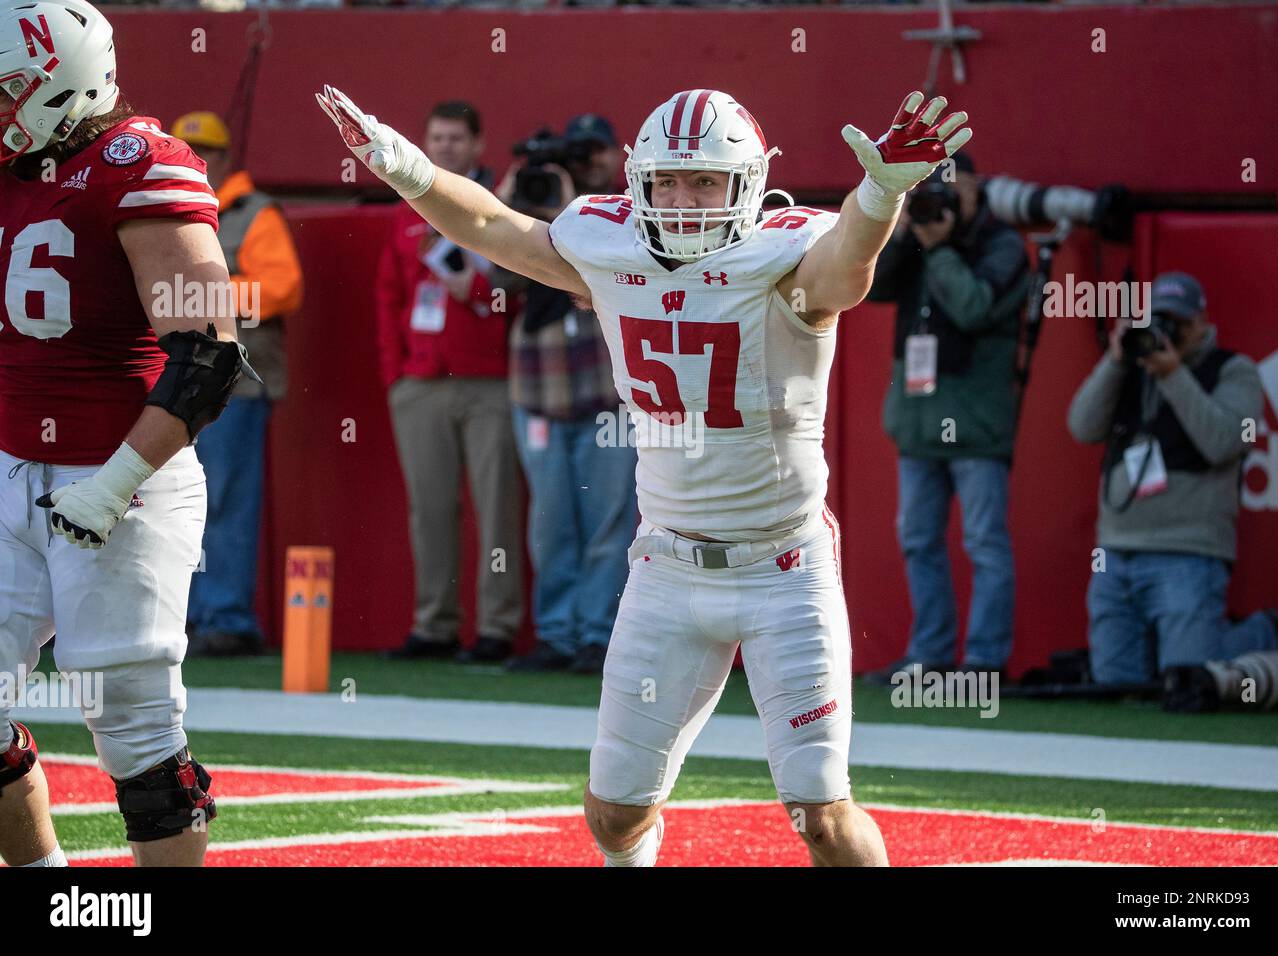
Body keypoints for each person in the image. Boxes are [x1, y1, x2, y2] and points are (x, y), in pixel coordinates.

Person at [318, 83, 971, 866]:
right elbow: (495, 226)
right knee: (614, 816)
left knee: (822, 816)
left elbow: (845, 272)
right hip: (665, 566)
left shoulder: (782, 256)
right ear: (638, 182)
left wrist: (876, 196)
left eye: (704, 181)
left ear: (749, 187)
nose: (683, 199)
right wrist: (403, 165)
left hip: (784, 569)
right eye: (666, 179)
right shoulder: (608, 244)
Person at [0, 0, 249, 866]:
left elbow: (208, 355)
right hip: (8, 468)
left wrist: (109, 486)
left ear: (60, 84)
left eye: (5, 93)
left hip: (124, 479)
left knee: (135, 731)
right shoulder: (15, 164)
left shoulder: (136, 162)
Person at [1067, 271, 1278, 685]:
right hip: (1115, 549)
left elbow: (1224, 441)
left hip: (1187, 550)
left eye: (1179, 323)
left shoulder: (1234, 370)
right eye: (1158, 320)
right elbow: (1081, 426)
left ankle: (1262, 634)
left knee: (1187, 678)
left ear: (1202, 321)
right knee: (1115, 683)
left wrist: (1172, 374)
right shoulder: (1130, 365)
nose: (1168, 332)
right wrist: (1115, 359)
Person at [860, 154, 1030, 684]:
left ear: (977, 188)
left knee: (983, 542)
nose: (942, 199)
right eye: (929, 189)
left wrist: (940, 250)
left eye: (952, 188)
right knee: (918, 540)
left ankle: (983, 663)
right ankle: (929, 656)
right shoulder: (919, 231)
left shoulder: (1004, 246)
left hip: (976, 426)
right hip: (918, 424)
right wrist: (902, 226)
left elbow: (974, 306)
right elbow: (873, 286)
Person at [375, 100, 524, 663]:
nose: (444, 148)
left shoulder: (497, 208)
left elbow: (520, 291)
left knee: (496, 505)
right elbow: (389, 296)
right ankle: (434, 624)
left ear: (477, 145)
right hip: (420, 382)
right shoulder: (405, 210)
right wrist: (396, 375)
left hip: (488, 381)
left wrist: (482, 295)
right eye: (436, 138)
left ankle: (496, 627)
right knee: (430, 508)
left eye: (456, 139)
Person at [500, 114, 638, 676]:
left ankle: (599, 636)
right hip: (538, 388)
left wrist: (566, 208)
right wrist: (510, 204)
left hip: (607, 393)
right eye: (577, 156)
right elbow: (495, 279)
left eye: (595, 153)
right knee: (550, 522)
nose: (587, 165)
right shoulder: (526, 214)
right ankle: (556, 635)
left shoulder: (627, 213)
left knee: (609, 522)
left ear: (616, 156)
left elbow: (607, 266)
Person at [171, 110, 304, 657]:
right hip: (173, 385)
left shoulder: (252, 213)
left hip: (236, 383)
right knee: (176, 504)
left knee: (224, 500)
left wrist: (201, 294)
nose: (199, 160)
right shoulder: (169, 211)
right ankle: (188, 618)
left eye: (207, 151)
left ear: (228, 157)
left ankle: (227, 617)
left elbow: (282, 290)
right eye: (186, 149)